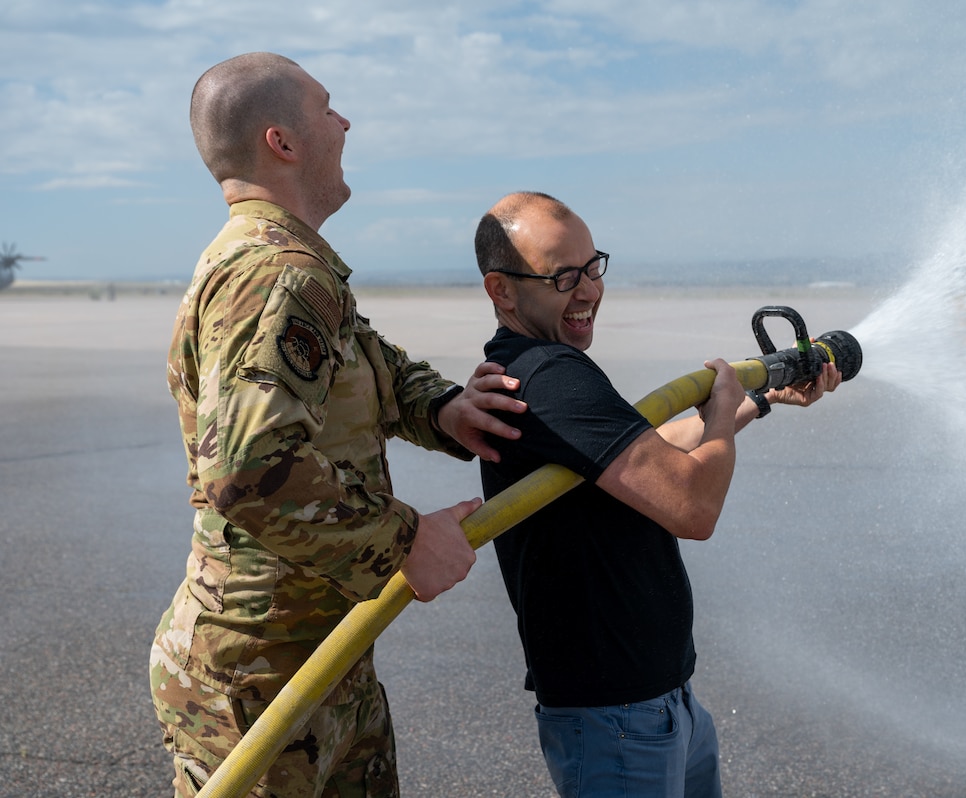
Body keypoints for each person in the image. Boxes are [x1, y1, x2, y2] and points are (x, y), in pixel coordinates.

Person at [148, 52, 526, 798]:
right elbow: (247, 469)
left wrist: (445, 408)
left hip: (316, 651)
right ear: (282, 142)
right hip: (263, 674)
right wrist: (408, 539)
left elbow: (363, 361)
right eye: (328, 107)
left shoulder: (290, 266)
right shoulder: (279, 274)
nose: (345, 121)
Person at [473, 191, 841, 797]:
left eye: (594, 266)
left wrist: (759, 397)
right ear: (502, 290)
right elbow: (691, 506)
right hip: (616, 719)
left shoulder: (550, 366)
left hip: (659, 704)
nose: (589, 289)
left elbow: (646, 455)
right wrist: (721, 417)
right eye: (564, 275)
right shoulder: (547, 377)